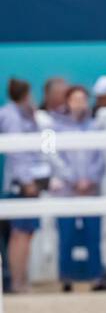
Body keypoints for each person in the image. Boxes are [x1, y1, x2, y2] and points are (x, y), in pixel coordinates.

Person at [51, 85, 106, 291]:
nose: (79, 103)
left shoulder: (95, 126)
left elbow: (102, 157)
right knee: (66, 235)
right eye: (75, 99)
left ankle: (95, 276)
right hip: (66, 191)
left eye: (83, 99)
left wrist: (90, 179)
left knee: (93, 235)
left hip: (91, 189)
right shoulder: (54, 126)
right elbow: (52, 156)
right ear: (67, 101)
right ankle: (65, 276)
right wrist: (71, 178)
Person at [0, 78, 50, 293]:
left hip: (31, 180)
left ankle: (21, 280)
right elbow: (17, 151)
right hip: (19, 184)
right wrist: (26, 180)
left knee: (26, 233)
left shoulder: (29, 115)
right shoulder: (10, 115)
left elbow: (44, 146)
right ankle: (17, 282)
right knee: (20, 233)